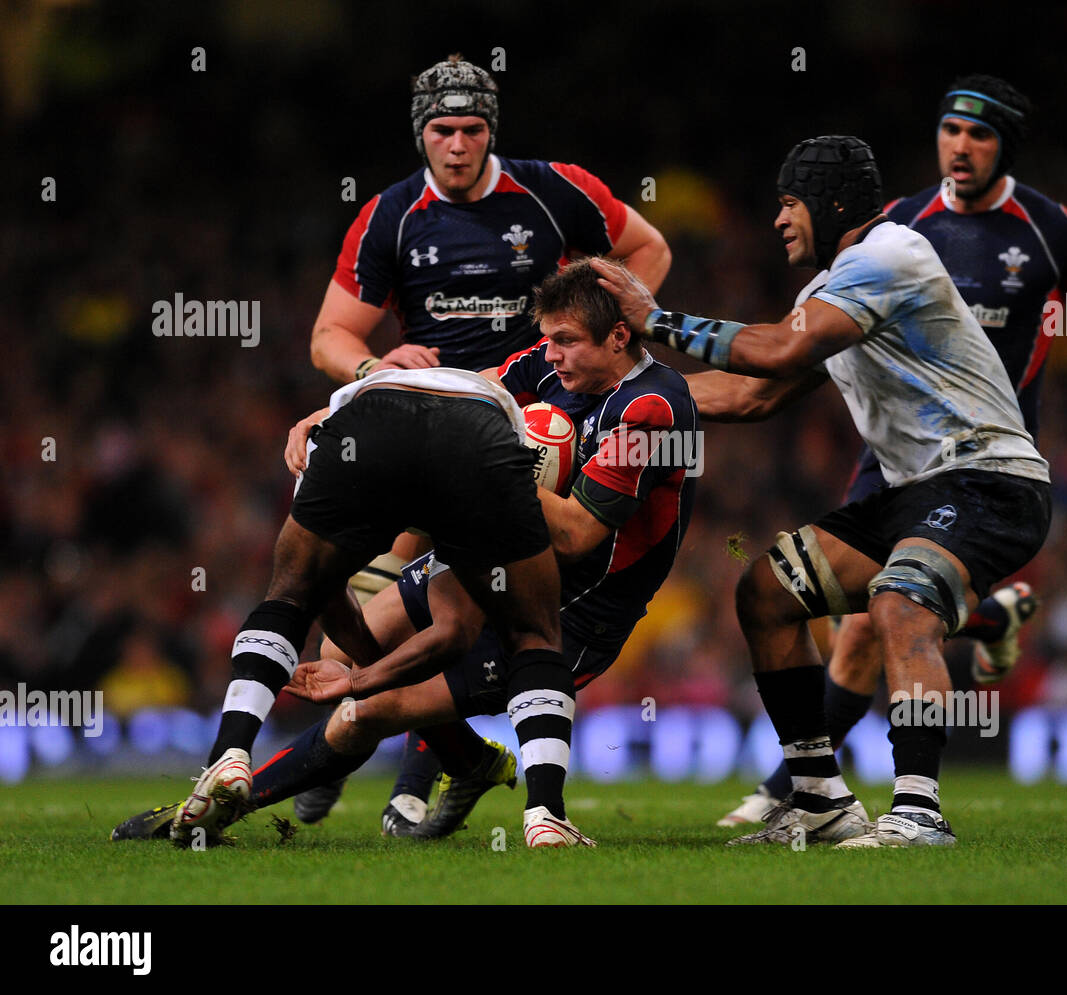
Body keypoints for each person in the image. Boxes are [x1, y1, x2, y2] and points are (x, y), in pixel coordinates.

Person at [114, 260, 698, 848]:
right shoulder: (548, 371)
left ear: (619, 337)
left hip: (579, 601)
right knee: (340, 650)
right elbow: (471, 391)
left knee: (363, 710)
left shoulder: (651, 409)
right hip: (495, 549)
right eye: (548, 340)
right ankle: (469, 761)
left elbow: (576, 535)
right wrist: (342, 411)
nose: (551, 355)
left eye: (567, 342)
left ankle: (210, 811)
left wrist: (493, 471)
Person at [720, 74, 1067, 826]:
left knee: (882, 612)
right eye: (949, 131)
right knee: (859, 611)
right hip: (894, 449)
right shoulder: (896, 226)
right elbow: (787, 360)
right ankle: (979, 627)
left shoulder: (1051, 228)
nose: (960, 147)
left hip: (983, 453)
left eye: (981, 134)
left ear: (1006, 148)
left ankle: (815, 794)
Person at [591, 136, 1052, 846]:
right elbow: (751, 394)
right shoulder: (828, 291)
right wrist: (618, 397)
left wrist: (656, 320)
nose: (778, 220)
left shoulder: (891, 255)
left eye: (788, 203)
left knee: (900, 601)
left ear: (833, 202)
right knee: (766, 594)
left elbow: (778, 349)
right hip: (915, 492)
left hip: (991, 477)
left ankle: (919, 811)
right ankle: (818, 800)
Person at [302, 52, 671, 828]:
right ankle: (426, 753)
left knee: (478, 610)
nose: (459, 145)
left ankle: (399, 763)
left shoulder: (553, 187)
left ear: (490, 130)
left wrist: (608, 334)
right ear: (421, 134)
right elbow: (328, 335)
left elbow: (651, 249)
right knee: (365, 633)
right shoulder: (390, 215)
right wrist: (374, 363)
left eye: (473, 129)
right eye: (444, 130)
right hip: (424, 430)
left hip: (535, 426)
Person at [166, 355, 571, 845]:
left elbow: (326, 592)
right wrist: (362, 680)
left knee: (291, 594)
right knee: (533, 634)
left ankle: (229, 754)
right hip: (475, 440)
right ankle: (546, 816)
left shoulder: (335, 424)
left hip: (371, 423)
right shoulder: (500, 440)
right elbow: (455, 632)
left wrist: (361, 677)